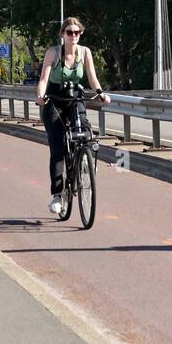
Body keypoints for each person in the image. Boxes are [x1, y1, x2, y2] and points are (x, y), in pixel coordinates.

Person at [36, 17, 110, 217]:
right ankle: (58, 195)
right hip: (54, 99)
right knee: (58, 147)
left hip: (74, 98)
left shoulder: (85, 52)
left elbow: (92, 77)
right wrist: (40, 95)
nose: (73, 36)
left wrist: (101, 93)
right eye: (69, 32)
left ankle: (85, 164)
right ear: (63, 34)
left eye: (77, 32)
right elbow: (44, 79)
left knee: (85, 132)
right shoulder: (53, 53)